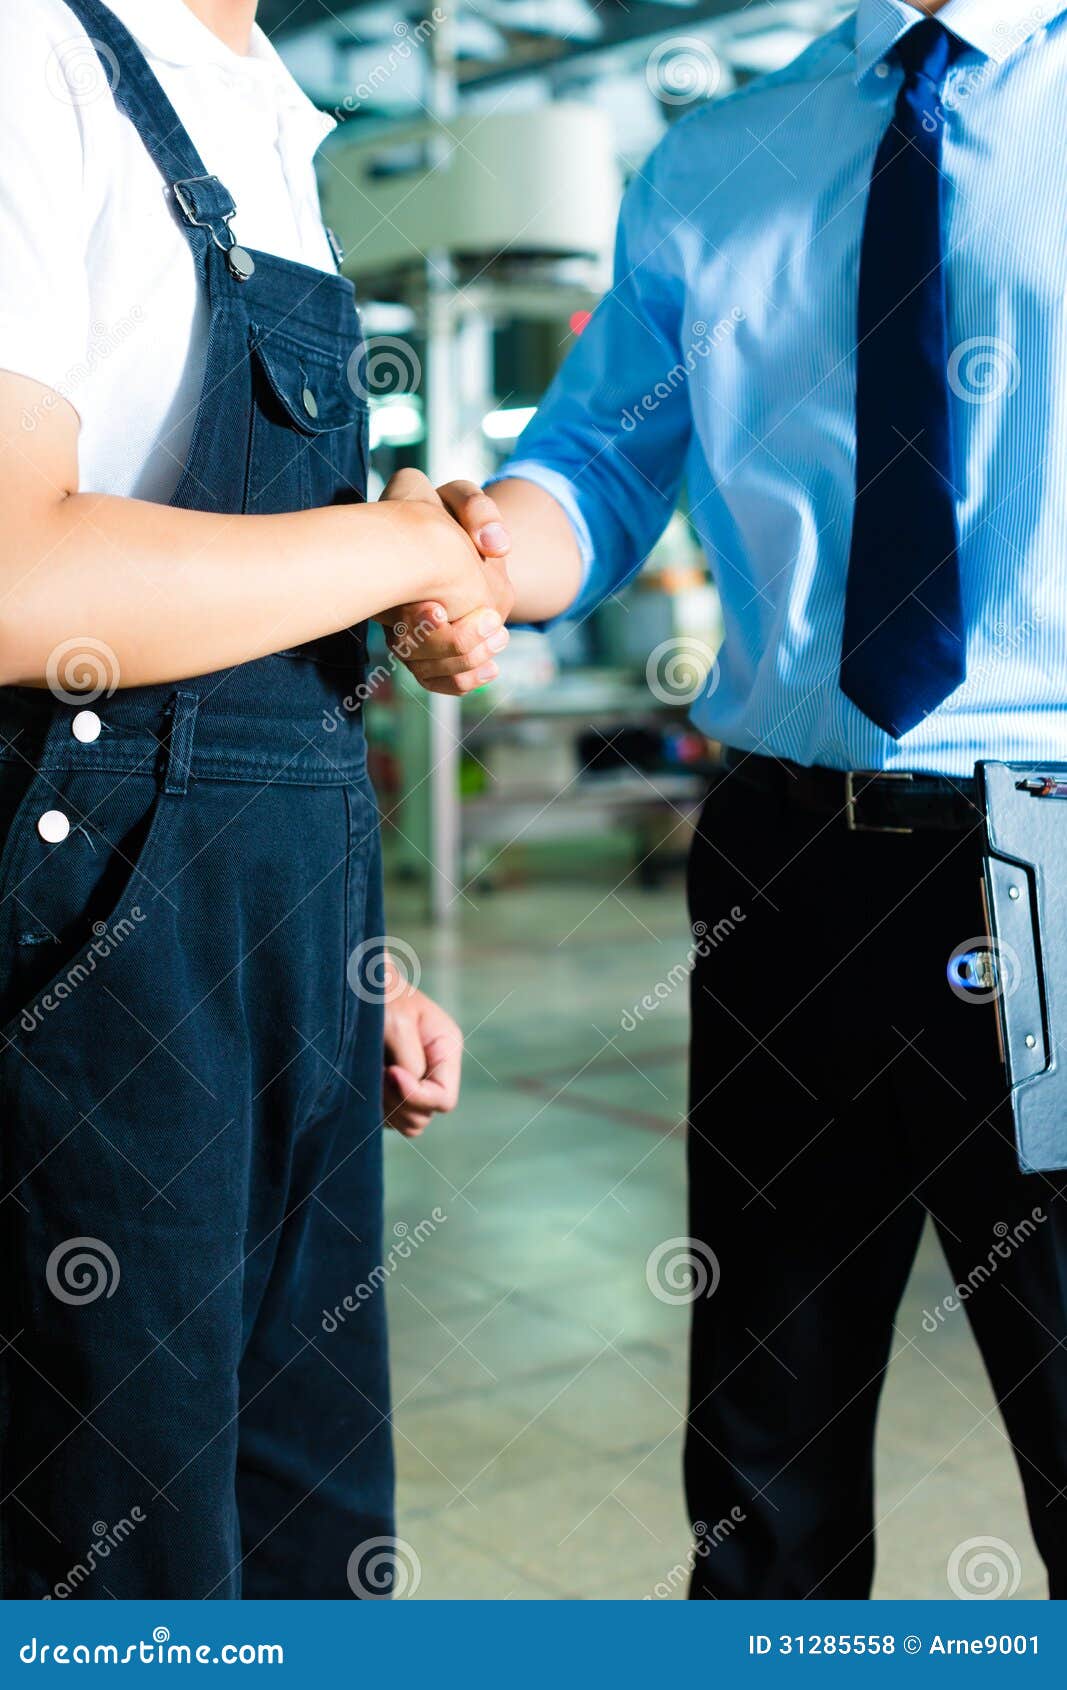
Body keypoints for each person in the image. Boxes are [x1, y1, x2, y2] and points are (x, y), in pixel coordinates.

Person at [393, 0, 1067, 1598]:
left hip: (1054, 838)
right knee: (764, 1475)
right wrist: (475, 557)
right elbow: (596, 471)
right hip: (790, 864)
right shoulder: (718, 159)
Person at [0, 0, 512, 1598]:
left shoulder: (270, 118)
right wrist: (406, 544)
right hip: (91, 948)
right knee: (129, 1565)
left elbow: (231, 630)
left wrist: (330, 960)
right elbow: (20, 578)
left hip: (272, 958)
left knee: (308, 1534)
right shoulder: (37, 52)